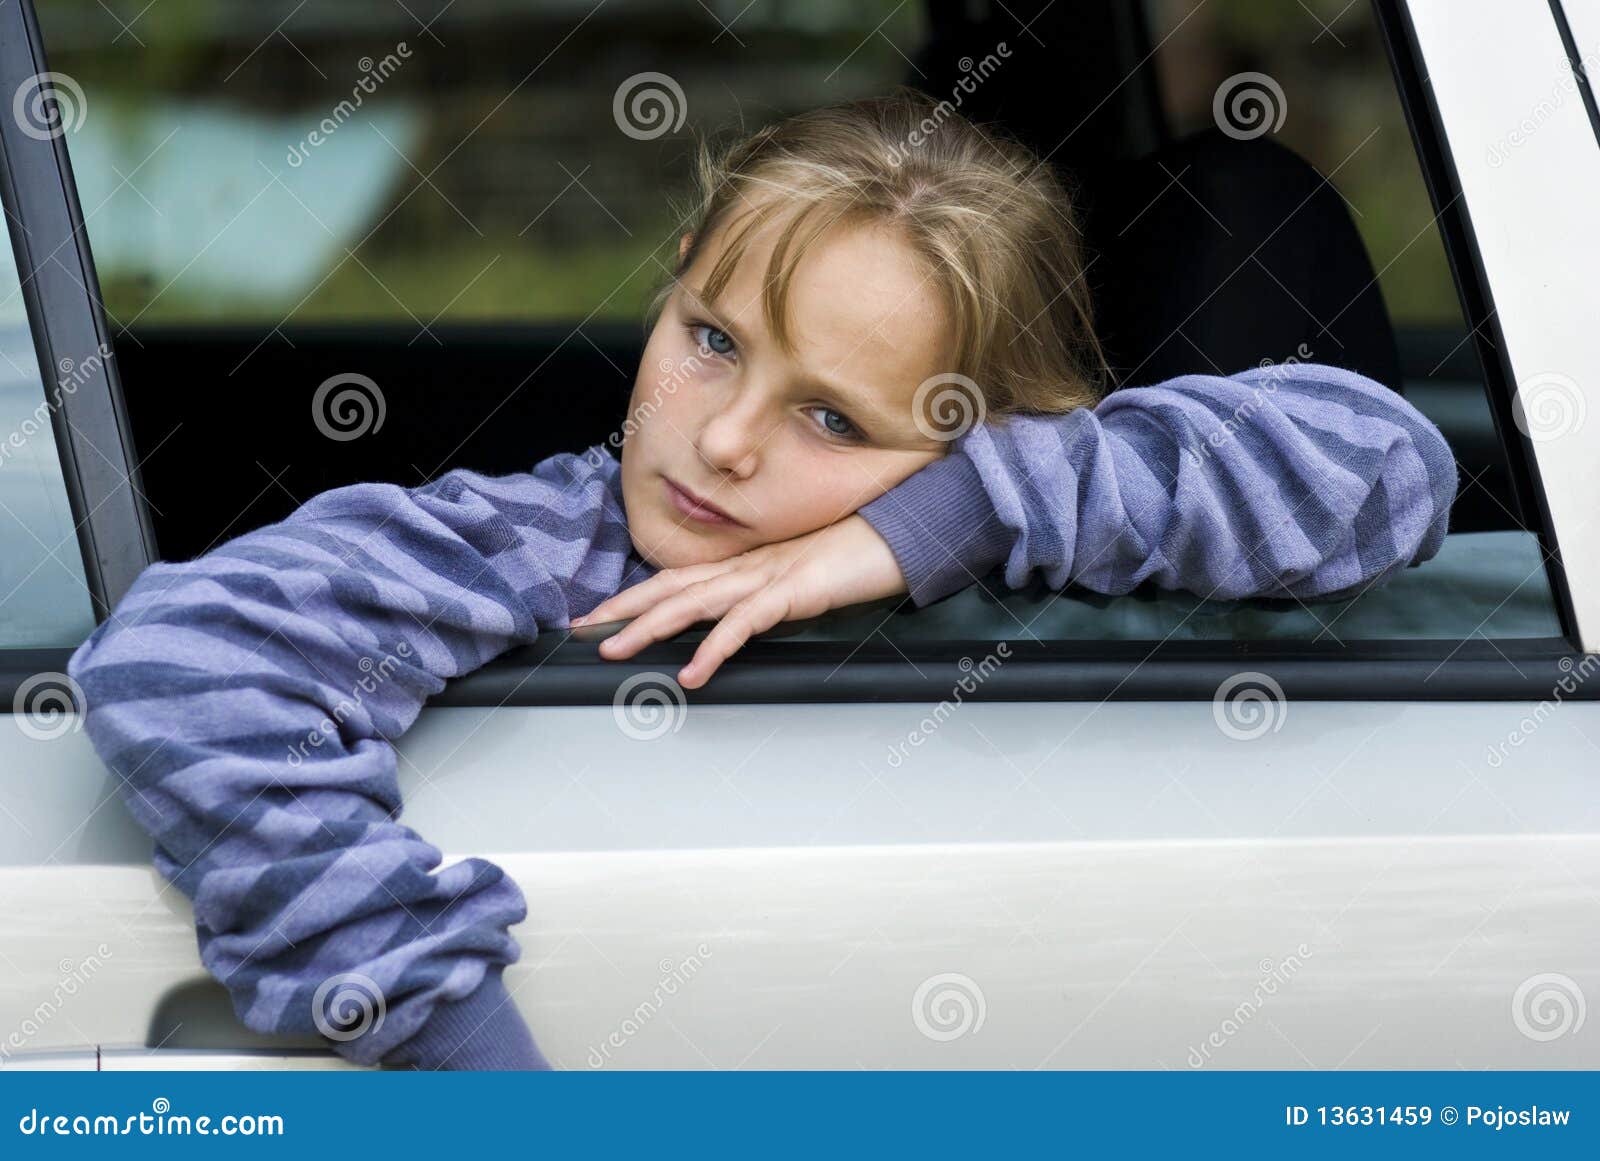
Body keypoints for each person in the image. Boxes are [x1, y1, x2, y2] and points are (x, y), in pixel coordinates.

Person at [65, 90, 1456, 1070]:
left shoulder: (1066, 524)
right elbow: (179, 664)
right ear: (673, 280)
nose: (721, 442)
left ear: (1002, 431)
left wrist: (938, 521)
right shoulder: (552, 546)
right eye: (713, 340)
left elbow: (1384, 462)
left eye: (836, 419)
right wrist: (454, 1043)